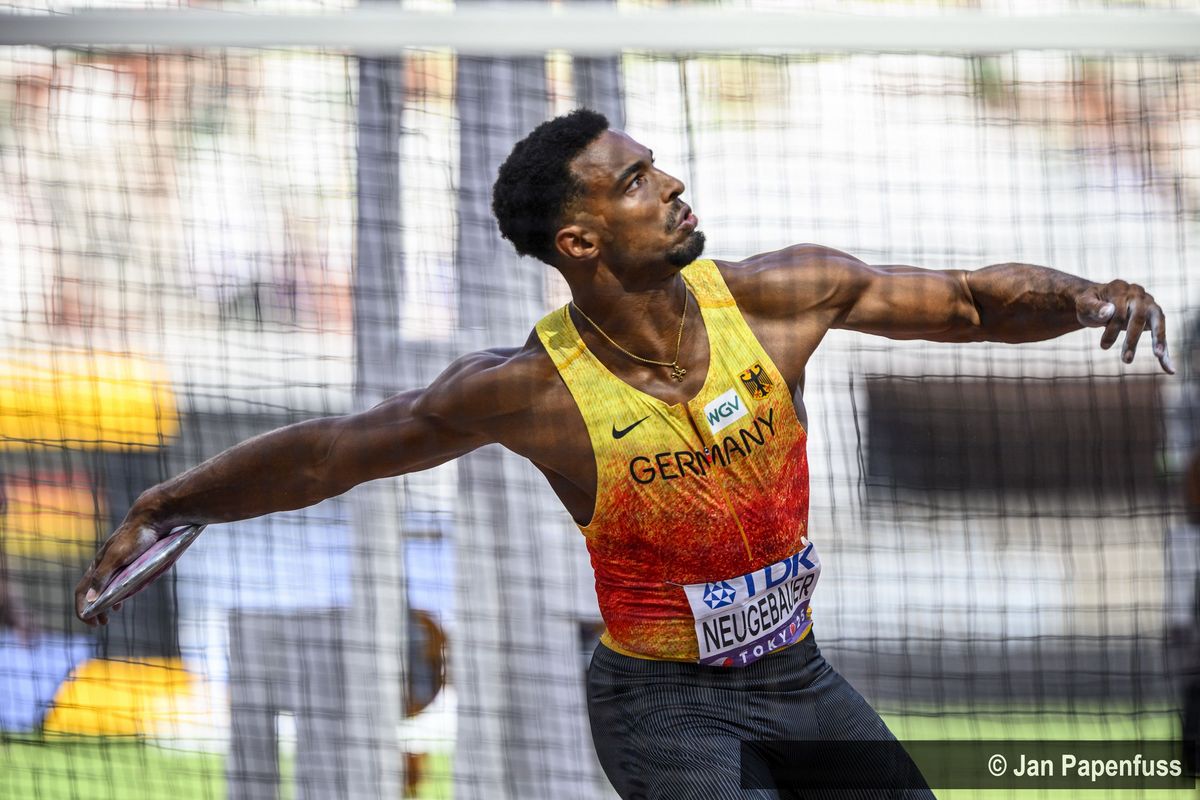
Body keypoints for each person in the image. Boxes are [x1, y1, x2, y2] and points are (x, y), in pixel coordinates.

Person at [75, 109, 1173, 798]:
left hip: (799, 673)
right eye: (639, 179)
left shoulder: (779, 298)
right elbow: (329, 454)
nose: (673, 182)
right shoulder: (534, 390)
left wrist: (1086, 297)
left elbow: (975, 304)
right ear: (582, 240)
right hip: (666, 704)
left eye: (657, 166)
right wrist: (171, 500)